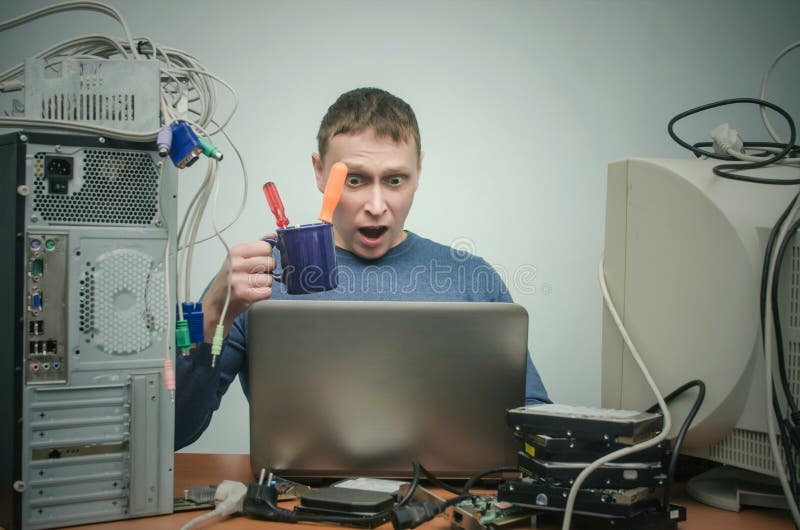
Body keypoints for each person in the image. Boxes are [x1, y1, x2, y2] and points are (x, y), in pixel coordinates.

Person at [175, 87, 549, 450]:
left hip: (444, 500)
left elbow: (535, 425)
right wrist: (210, 314)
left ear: (419, 171)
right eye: (354, 180)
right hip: (296, 502)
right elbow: (173, 435)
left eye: (394, 180)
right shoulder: (256, 280)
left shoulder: (474, 281)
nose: (376, 205)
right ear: (320, 172)